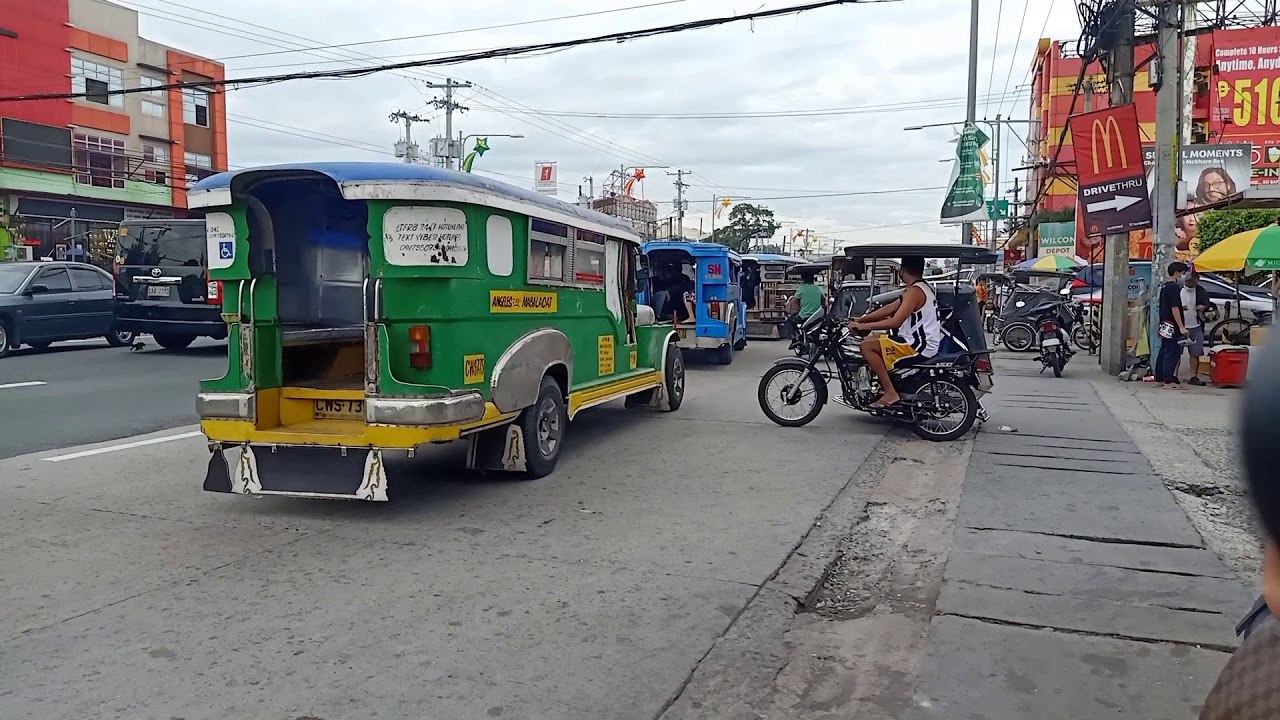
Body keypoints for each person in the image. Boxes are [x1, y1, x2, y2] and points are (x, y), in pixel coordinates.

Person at [849, 256, 942, 408]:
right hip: (913, 340)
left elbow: (895, 321)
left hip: (918, 345)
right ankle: (879, 384)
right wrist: (863, 319)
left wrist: (863, 327)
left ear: (903, 270)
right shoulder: (919, 288)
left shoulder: (915, 292)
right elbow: (891, 308)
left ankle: (890, 392)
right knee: (867, 342)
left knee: (867, 347)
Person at [1154, 261, 1189, 388]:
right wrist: (1181, 326)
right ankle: (1169, 380)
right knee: (1172, 351)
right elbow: (1174, 308)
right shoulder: (1174, 288)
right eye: (1183, 273)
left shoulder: (1164, 287)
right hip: (1172, 324)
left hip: (1164, 322)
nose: (1184, 277)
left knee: (1164, 349)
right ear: (1176, 273)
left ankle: (1159, 378)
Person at [1181, 271, 1210, 386]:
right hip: (1181, 325)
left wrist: (1203, 307)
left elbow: (1207, 303)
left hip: (1196, 324)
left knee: (1195, 353)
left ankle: (1193, 376)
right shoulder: (1178, 289)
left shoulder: (1200, 290)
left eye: (1193, 281)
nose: (1190, 284)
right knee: (1176, 353)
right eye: (1188, 281)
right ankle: (1173, 375)